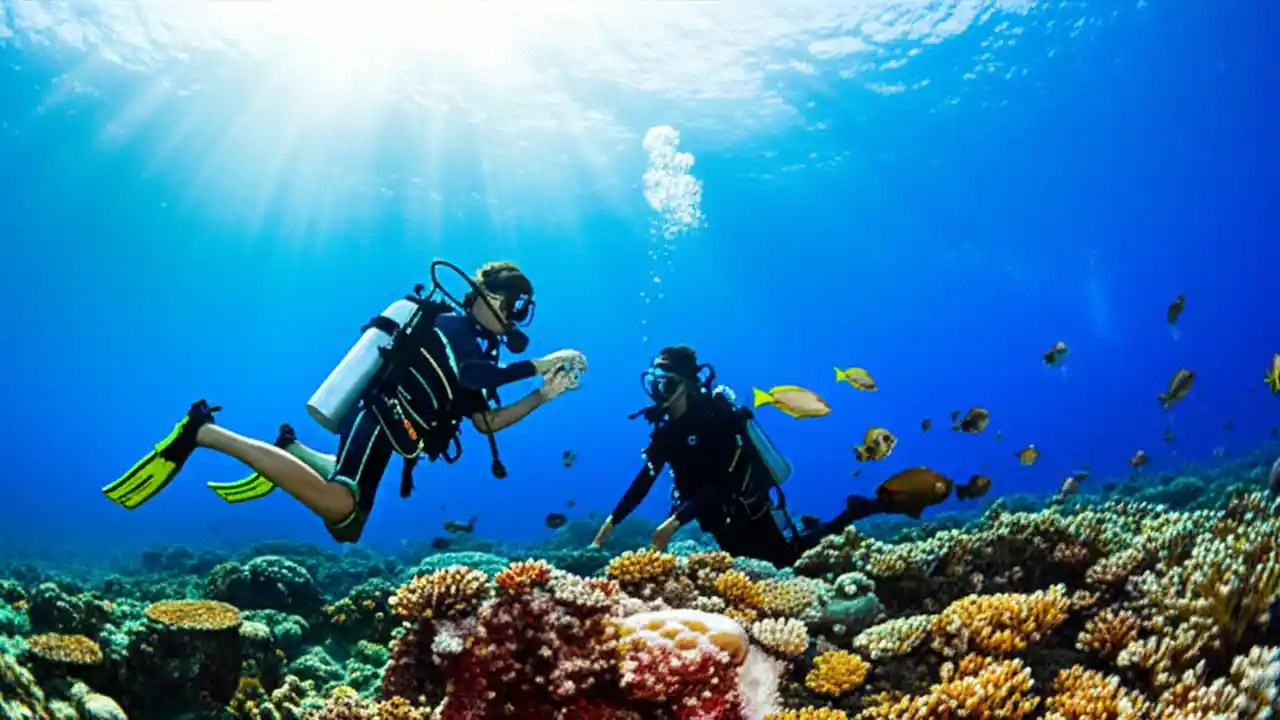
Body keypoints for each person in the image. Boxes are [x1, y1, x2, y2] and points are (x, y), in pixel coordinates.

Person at [104, 260, 586, 543]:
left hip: (389, 430)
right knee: (344, 510)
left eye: (522, 310)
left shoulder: (477, 349)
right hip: (377, 421)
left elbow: (486, 422)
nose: (515, 317)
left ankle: (292, 450)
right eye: (512, 304)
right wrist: (540, 364)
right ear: (486, 296)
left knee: (346, 524)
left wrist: (543, 395)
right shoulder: (453, 327)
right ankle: (205, 433)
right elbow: (473, 375)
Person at [591, 346, 891, 568]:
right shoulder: (666, 431)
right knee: (752, 573)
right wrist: (610, 523)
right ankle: (820, 524)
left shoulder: (715, 420)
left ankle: (853, 513)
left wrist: (672, 524)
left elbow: (722, 484)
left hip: (751, 515)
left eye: (666, 384)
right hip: (716, 522)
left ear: (686, 384)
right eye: (654, 384)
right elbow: (645, 479)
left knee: (795, 562)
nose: (659, 392)